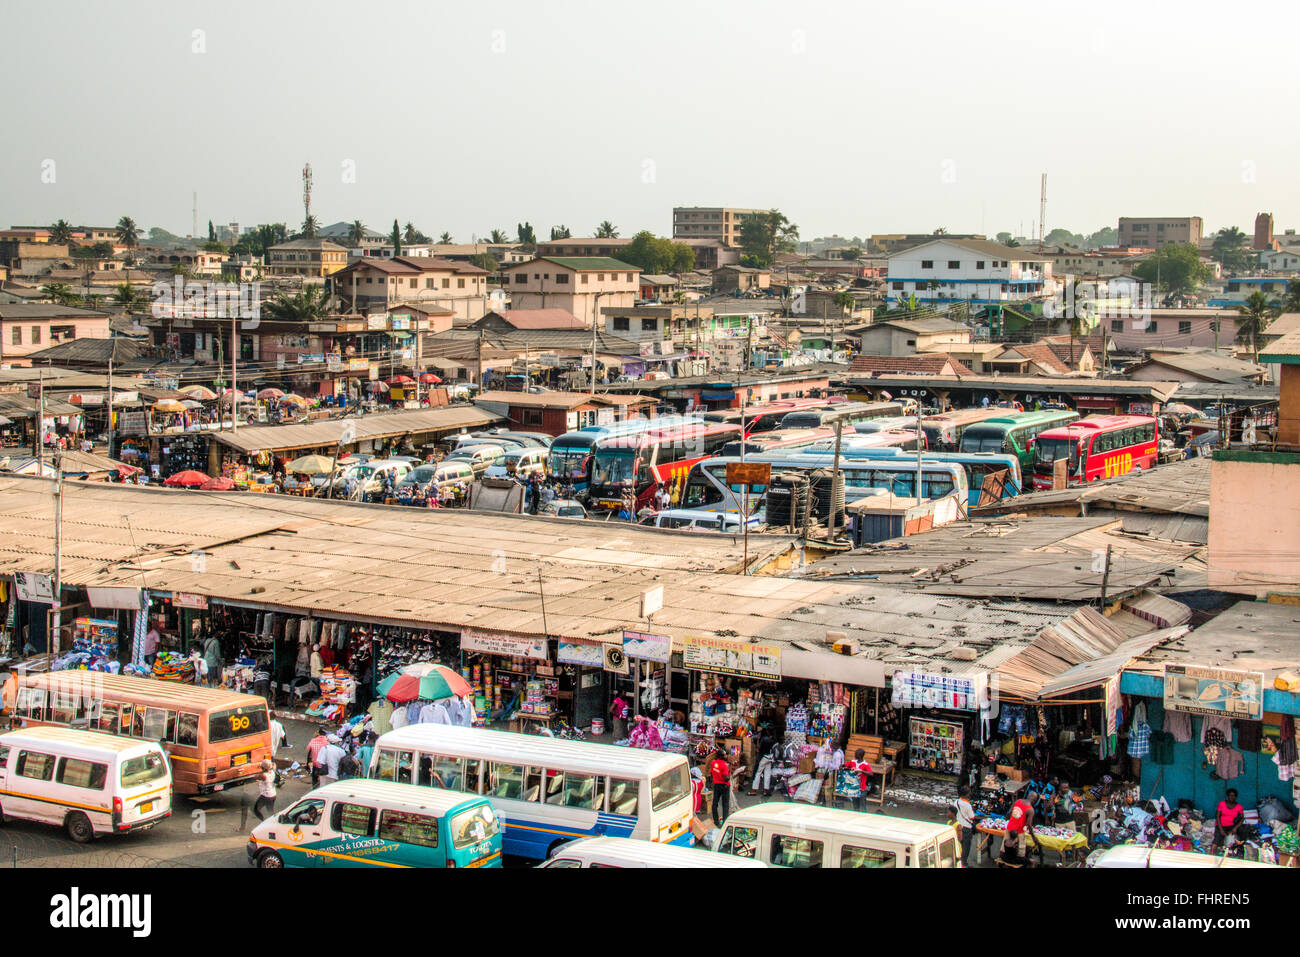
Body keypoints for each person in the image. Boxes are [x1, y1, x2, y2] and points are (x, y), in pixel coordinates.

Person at [1003, 789, 1041, 864]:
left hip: (1009, 827)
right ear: (1034, 800)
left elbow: (1010, 812)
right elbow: (1029, 825)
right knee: (1020, 853)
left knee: (1005, 848)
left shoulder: (1018, 801)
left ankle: (1005, 861)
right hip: (1019, 831)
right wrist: (1034, 837)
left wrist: (1013, 820)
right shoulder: (1030, 810)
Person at [709, 748, 732, 826]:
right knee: (725, 804)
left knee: (715, 803)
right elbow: (726, 778)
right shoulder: (725, 765)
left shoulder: (713, 763)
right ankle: (725, 821)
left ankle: (716, 821)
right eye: (725, 755)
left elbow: (712, 773)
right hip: (725, 786)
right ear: (722, 756)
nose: (726, 755)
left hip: (716, 785)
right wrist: (731, 774)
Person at [955, 785, 977, 867]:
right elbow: (972, 817)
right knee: (966, 846)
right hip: (966, 828)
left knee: (959, 844)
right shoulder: (967, 805)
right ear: (967, 794)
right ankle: (964, 863)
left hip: (958, 826)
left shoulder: (956, 802)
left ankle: (958, 861)